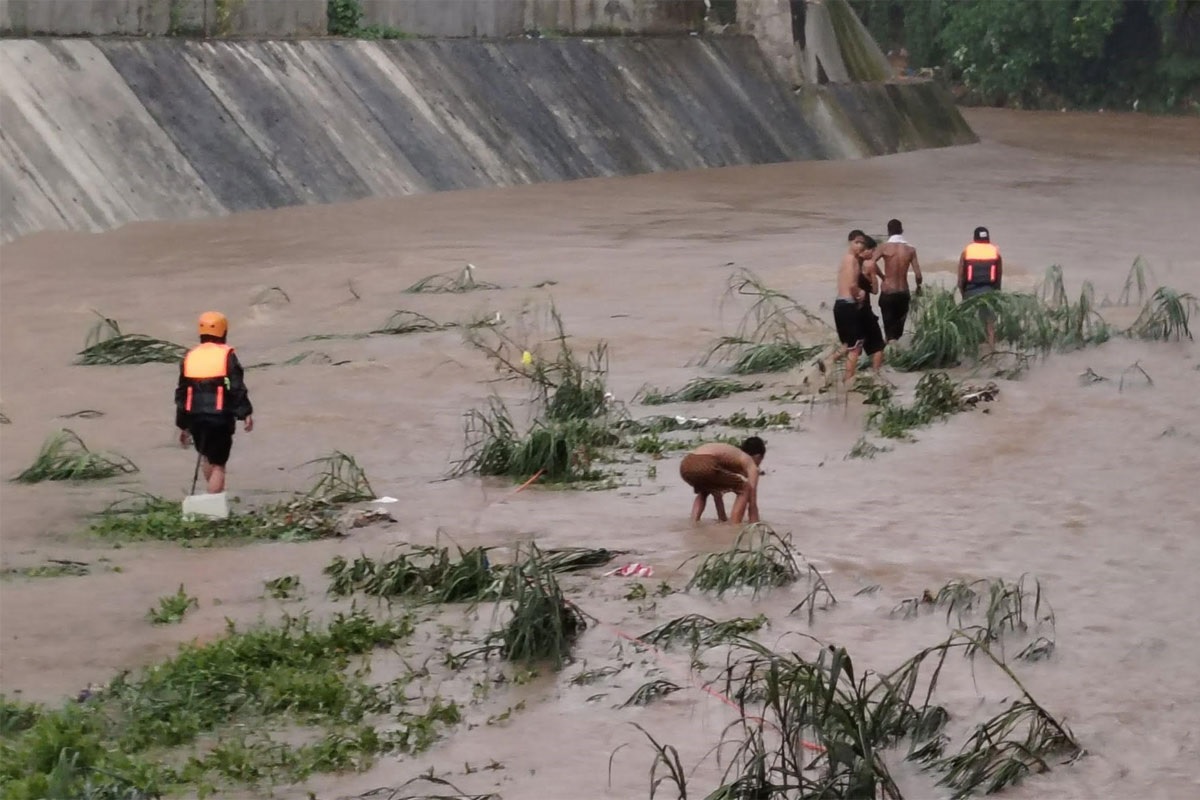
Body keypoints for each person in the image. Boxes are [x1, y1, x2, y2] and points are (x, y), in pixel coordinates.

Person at [175, 311, 253, 494]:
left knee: (207, 457)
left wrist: (183, 425)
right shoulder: (227, 355)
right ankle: (214, 504)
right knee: (218, 464)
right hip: (219, 417)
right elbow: (236, 387)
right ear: (223, 331)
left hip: (194, 417)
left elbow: (182, 393)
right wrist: (245, 413)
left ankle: (210, 499)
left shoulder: (189, 356)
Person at [833, 229, 884, 382]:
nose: (860, 247)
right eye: (858, 243)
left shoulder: (846, 260)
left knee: (848, 345)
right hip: (852, 306)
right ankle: (849, 381)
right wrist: (860, 294)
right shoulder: (855, 261)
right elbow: (854, 286)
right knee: (857, 347)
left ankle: (826, 363)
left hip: (841, 304)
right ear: (852, 242)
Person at [679, 437, 765, 524]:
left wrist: (722, 518)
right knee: (745, 488)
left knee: (704, 491)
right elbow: (752, 502)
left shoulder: (730, 457)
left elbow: (717, 494)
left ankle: (693, 523)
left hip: (686, 464)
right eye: (760, 461)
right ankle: (735, 525)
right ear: (758, 456)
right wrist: (755, 523)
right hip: (705, 463)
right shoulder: (748, 460)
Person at [869, 218, 923, 343]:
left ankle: (889, 351)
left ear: (888, 232)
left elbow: (870, 263)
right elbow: (918, 275)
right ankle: (895, 352)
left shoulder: (884, 248)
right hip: (903, 292)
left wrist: (882, 276)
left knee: (889, 329)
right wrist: (918, 287)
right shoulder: (910, 250)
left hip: (888, 292)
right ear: (902, 231)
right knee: (898, 330)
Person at [957, 225, 1003, 347]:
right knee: (990, 324)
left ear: (974, 238)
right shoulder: (995, 252)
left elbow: (961, 277)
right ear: (988, 238)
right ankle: (992, 350)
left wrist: (963, 294)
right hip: (990, 290)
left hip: (970, 290)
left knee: (968, 321)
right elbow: (998, 276)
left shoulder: (966, 252)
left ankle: (969, 349)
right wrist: (997, 293)